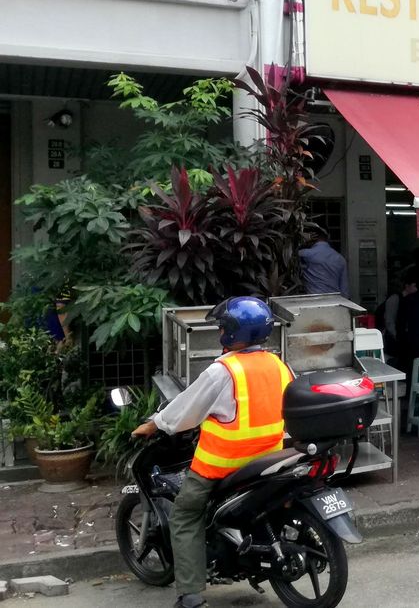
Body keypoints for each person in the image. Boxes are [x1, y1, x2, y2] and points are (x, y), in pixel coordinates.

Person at [131, 297, 293, 608]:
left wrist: (154, 424)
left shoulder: (223, 371)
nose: (219, 332)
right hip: (267, 461)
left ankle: (190, 595)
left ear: (232, 332)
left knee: (184, 515)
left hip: (222, 466)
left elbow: (186, 411)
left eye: (222, 327)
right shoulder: (279, 364)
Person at [299, 228, 348, 297]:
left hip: (313, 300)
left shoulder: (305, 254)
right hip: (335, 300)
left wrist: (302, 243)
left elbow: (288, 257)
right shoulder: (340, 258)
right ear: (328, 237)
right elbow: (344, 290)